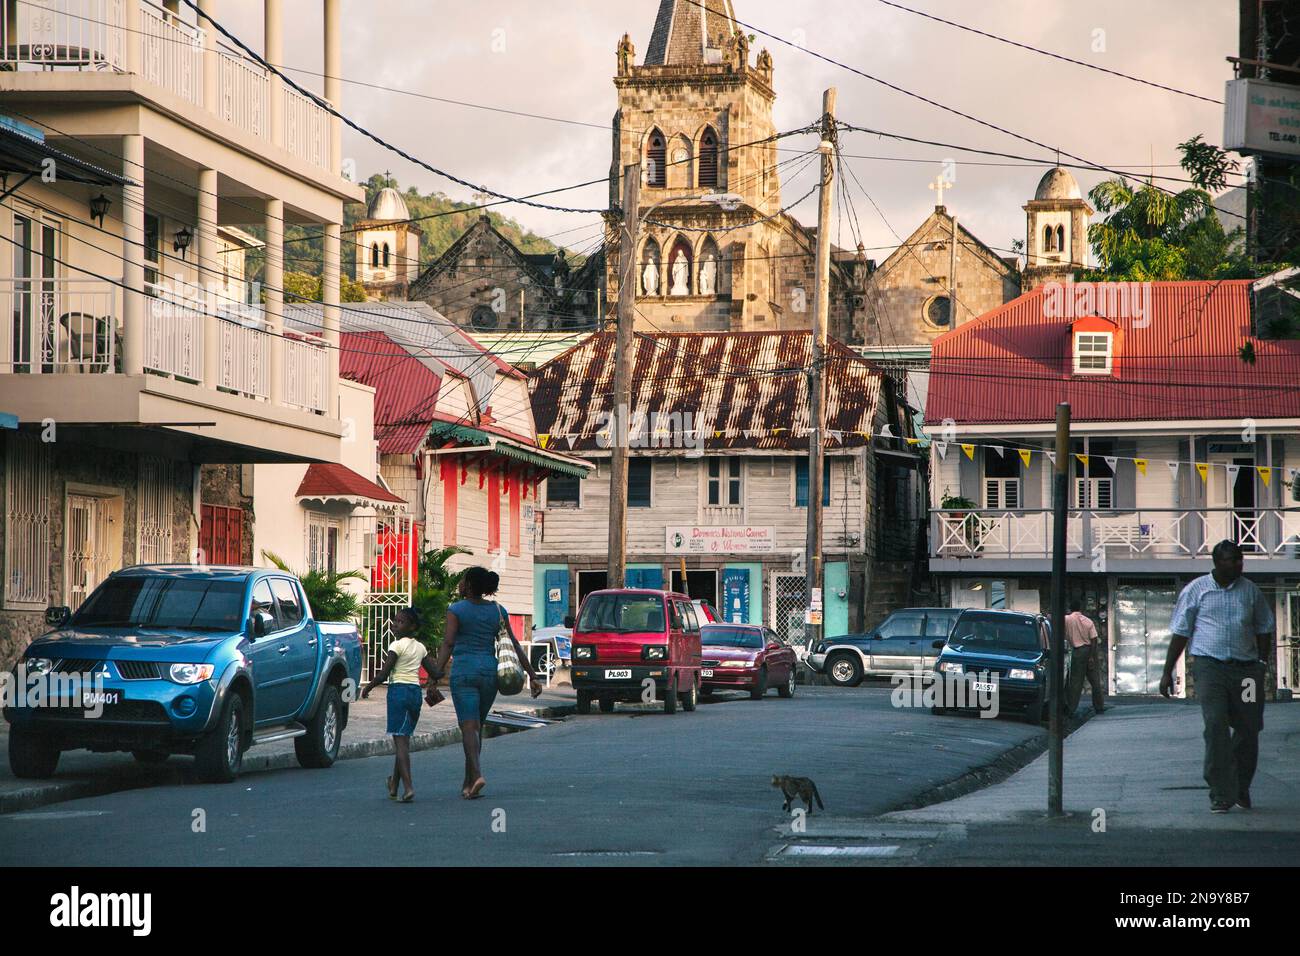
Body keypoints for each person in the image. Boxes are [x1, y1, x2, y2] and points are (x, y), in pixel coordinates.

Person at [1160, 540, 1275, 814]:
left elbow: (1264, 627)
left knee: (1249, 729)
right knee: (1215, 725)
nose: (1237, 564)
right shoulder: (1196, 591)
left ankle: (1240, 786)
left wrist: (1260, 663)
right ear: (1216, 563)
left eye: (1239, 559)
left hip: (1246, 671)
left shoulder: (1250, 592)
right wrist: (1167, 672)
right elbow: (1181, 633)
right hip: (1210, 668)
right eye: (1231, 560)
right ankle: (1221, 792)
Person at [429, 567, 542, 799]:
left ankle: (477, 774)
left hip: (464, 674)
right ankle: (468, 783)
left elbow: (448, 644)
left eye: (463, 580)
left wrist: (436, 673)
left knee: (468, 728)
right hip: (490, 674)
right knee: (476, 727)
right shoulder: (498, 611)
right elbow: (514, 644)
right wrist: (533, 675)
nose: (459, 584)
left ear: (469, 585)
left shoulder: (456, 610)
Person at [362, 607, 441, 803]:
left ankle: (408, 787)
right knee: (403, 739)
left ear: (412, 626)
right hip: (415, 694)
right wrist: (433, 681)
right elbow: (437, 672)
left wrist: (368, 687)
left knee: (401, 742)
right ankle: (394, 785)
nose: (395, 625)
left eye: (400, 622)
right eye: (395, 622)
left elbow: (383, 673)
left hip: (398, 693)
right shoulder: (421, 648)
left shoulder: (396, 646)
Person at [1064, 599, 1105, 716]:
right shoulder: (1088, 621)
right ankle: (1099, 706)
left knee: (1075, 682)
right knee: (1095, 680)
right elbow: (1094, 639)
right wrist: (1092, 657)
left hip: (1077, 651)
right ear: (1080, 609)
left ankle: (1071, 709)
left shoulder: (1067, 620)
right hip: (1089, 650)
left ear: (1070, 609)